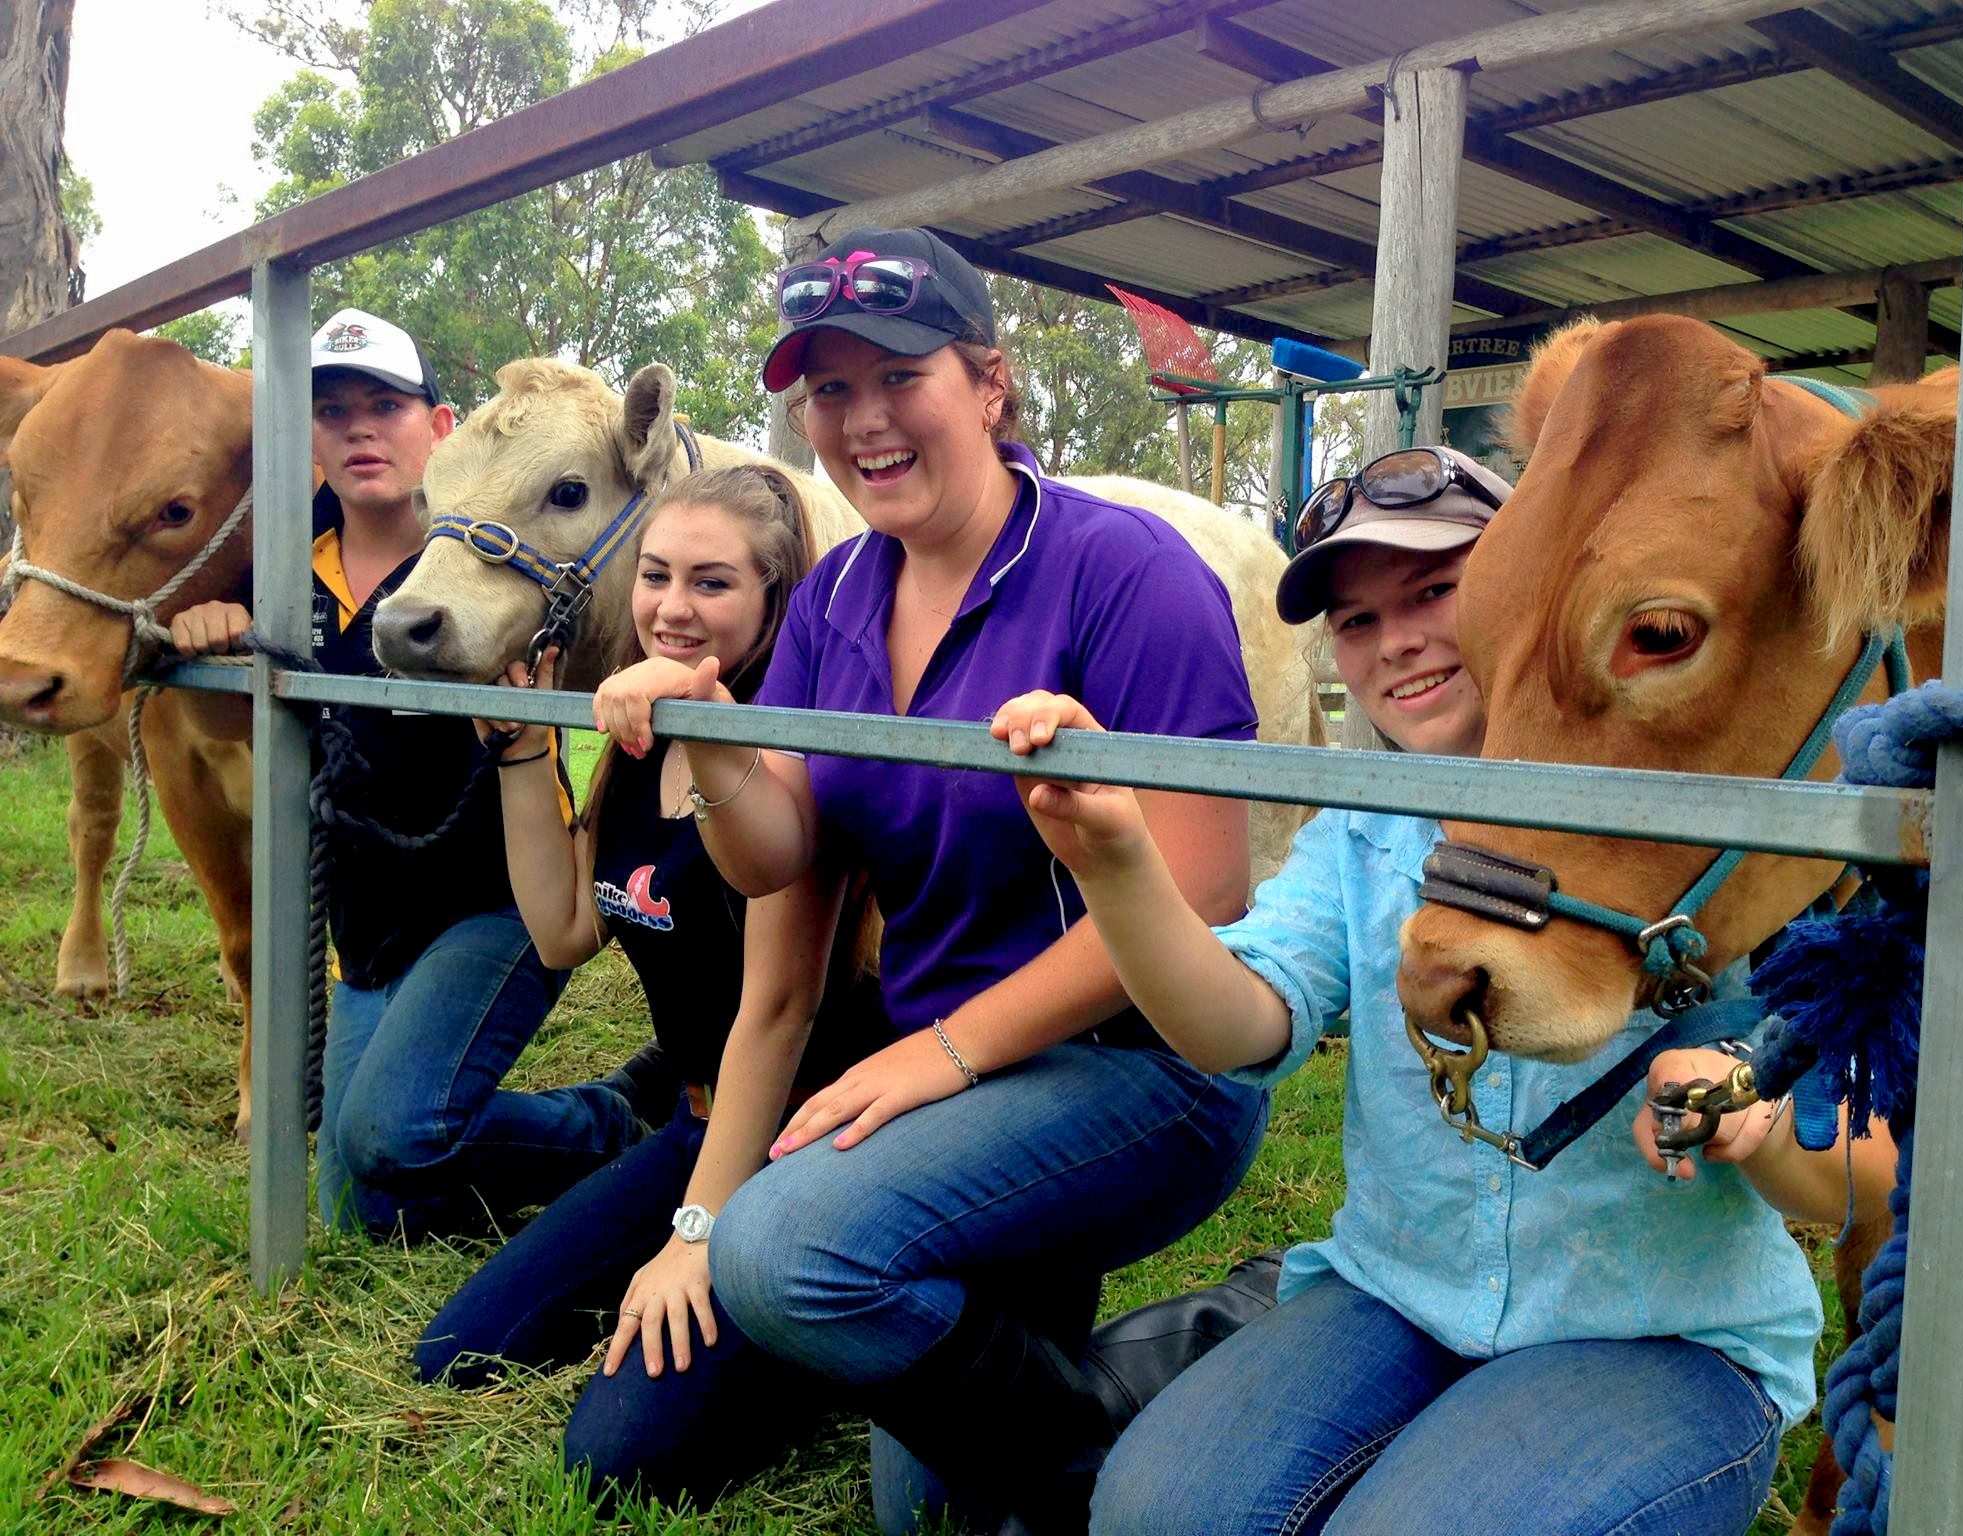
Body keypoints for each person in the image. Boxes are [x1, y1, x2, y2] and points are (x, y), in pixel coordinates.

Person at [995, 443, 1896, 1536]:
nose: (1396, 641)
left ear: (1530, 590)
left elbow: (1863, 1180)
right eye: (1357, 620)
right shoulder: (1365, 831)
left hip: (1652, 1334)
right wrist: (1115, 861)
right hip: (1396, 1295)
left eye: (1433, 590)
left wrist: (1756, 1124)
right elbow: (1233, 1027)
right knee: (1148, 1514)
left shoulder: (1708, 814)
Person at [605, 227, 1269, 1533]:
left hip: (1147, 1071)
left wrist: (947, 1054)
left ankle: (1113, 1434)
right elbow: (777, 852)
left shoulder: (1128, 575)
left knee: (785, 1253)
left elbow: (1206, 895)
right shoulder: (840, 591)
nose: (864, 419)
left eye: (899, 375)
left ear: (990, 384)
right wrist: (710, 737)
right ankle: (1195, 1359)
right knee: (931, 1510)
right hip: (951, 1080)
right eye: (830, 391)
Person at [413, 464, 900, 1506]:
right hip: (696, 1126)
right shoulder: (637, 738)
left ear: (772, 602)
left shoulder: (781, 754)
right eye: (657, 577)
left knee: (618, 1461)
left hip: (811, 1142)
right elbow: (564, 928)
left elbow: (778, 1010)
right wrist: (521, 751)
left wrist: (696, 1236)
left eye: (713, 584)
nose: (673, 609)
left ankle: (820, 1317)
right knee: (459, 1352)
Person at [169, 308, 638, 1235]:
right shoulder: (277, 562)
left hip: (494, 900)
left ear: (443, 425)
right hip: (366, 919)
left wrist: (552, 768)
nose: (358, 428)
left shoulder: (511, 555)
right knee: (365, 1210)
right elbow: (246, 728)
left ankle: (612, 1125)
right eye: (332, 409)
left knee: (392, 1133)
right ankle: (480, 1149)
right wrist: (208, 647)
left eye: (386, 403)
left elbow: (593, 694)